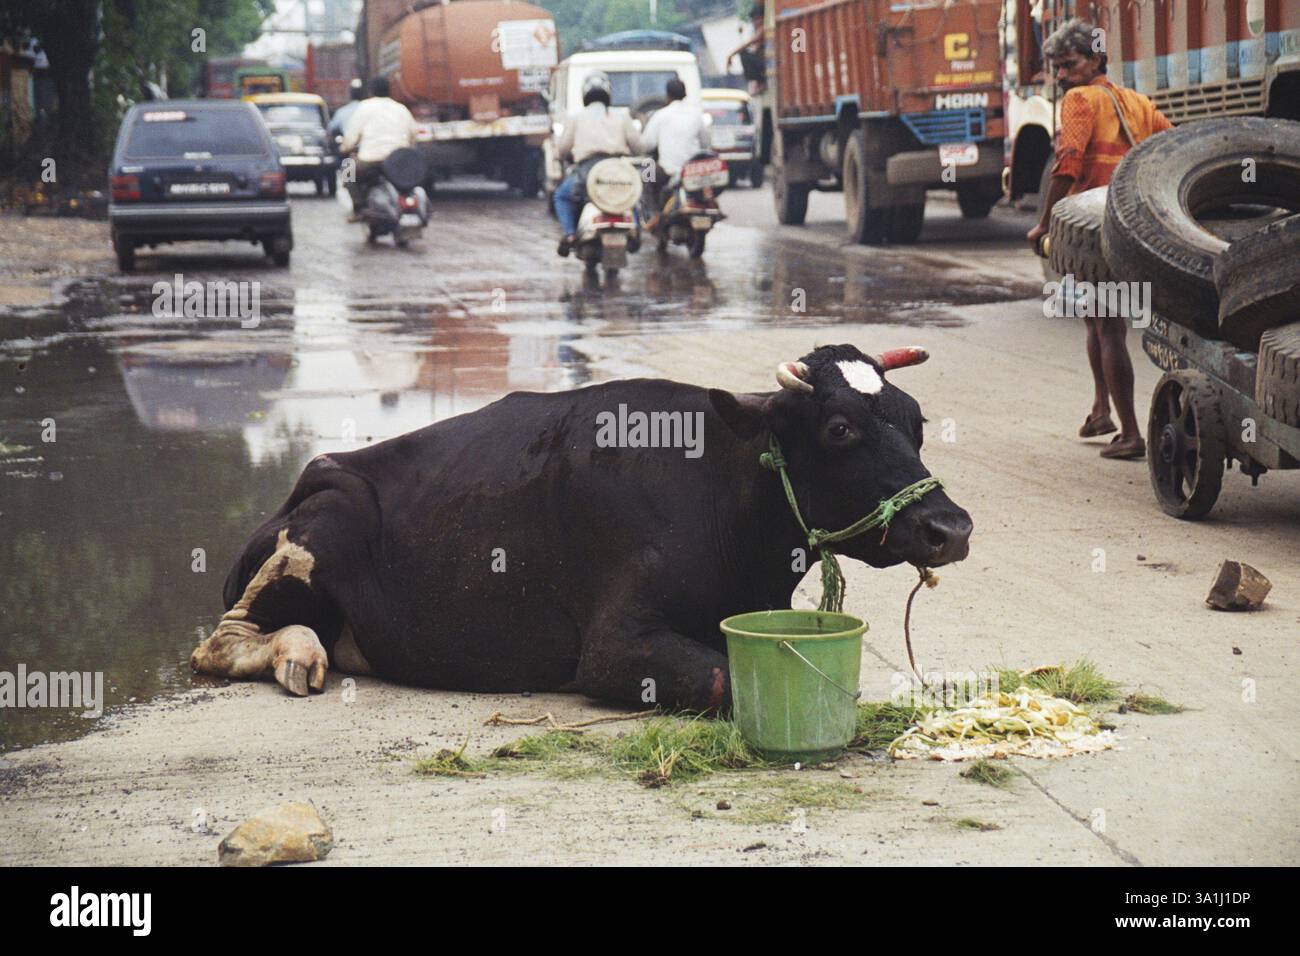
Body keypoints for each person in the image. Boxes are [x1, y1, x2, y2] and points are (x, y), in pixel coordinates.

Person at [1026, 18, 1172, 461]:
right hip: (1128, 223)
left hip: (1093, 227)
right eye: (1056, 68)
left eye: (1069, 65)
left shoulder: (1079, 100)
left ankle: (1130, 432)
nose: (1062, 76)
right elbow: (1169, 147)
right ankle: (1100, 410)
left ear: (1095, 60)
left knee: (1109, 326)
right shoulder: (1138, 102)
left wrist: (1044, 222)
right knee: (1095, 319)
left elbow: (1067, 164)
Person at [552, 71, 643, 257]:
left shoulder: (576, 117)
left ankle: (570, 234)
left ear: (585, 95)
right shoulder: (622, 116)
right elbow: (639, 147)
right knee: (631, 196)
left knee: (561, 197)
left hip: (587, 171)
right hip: (617, 169)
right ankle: (635, 230)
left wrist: (560, 156)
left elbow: (562, 150)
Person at [340, 76, 418, 221]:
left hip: (371, 160)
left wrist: (345, 148)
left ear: (371, 91)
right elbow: (414, 133)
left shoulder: (364, 106)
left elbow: (351, 137)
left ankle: (359, 208)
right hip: (398, 160)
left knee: (347, 169)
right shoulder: (401, 108)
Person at [639, 77, 710, 202]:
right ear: (684, 94)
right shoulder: (696, 114)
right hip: (693, 171)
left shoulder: (661, 115)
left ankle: (652, 211)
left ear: (668, 95)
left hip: (668, 171)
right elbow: (706, 143)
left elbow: (647, 144)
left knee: (647, 168)